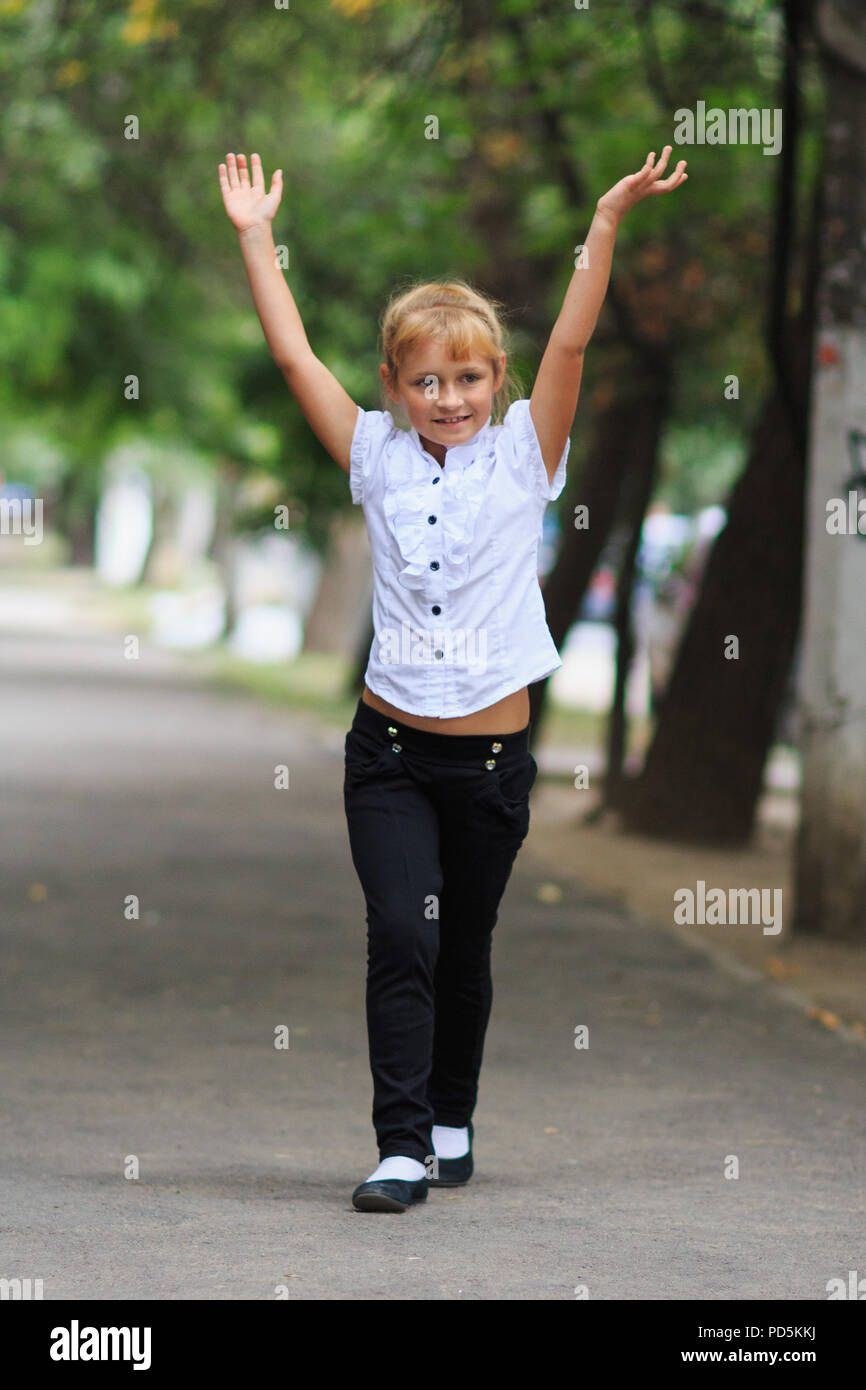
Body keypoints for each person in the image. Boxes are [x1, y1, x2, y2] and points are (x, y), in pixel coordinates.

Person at [218, 146, 687, 1213]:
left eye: (467, 377)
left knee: (463, 944)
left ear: (494, 382)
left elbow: (570, 334)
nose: (447, 396)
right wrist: (256, 235)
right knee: (402, 934)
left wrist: (605, 221)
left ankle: (450, 1109)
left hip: (487, 764)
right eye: (424, 379)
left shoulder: (525, 453)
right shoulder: (373, 454)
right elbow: (294, 360)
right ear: (393, 385)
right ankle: (398, 1144)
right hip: (386, 752)